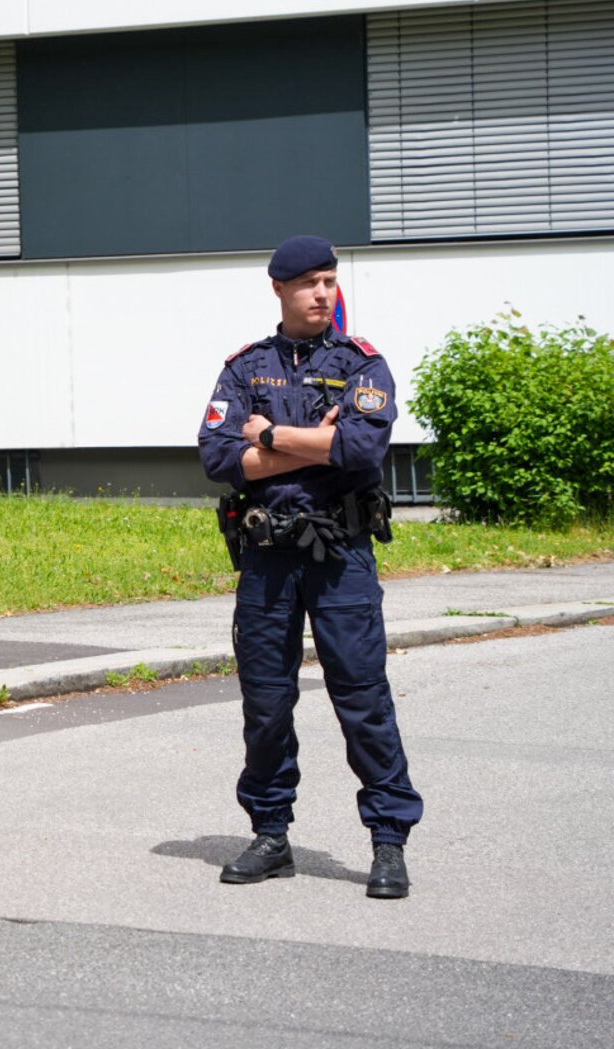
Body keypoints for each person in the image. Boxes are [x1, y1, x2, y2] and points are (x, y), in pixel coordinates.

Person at [197, 235, 422, 899]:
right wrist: (315, 443)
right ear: (280, 289)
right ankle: (270, 832)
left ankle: (388, 839)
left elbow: (357, 448)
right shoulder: (246, 368)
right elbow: (216, 458)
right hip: (267, 559)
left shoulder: (362, 363)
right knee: (266, 704)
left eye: (330, 280)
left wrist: (266, 435)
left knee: (363, 698)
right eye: (309, 282)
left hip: (342, 558)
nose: (323, 292)